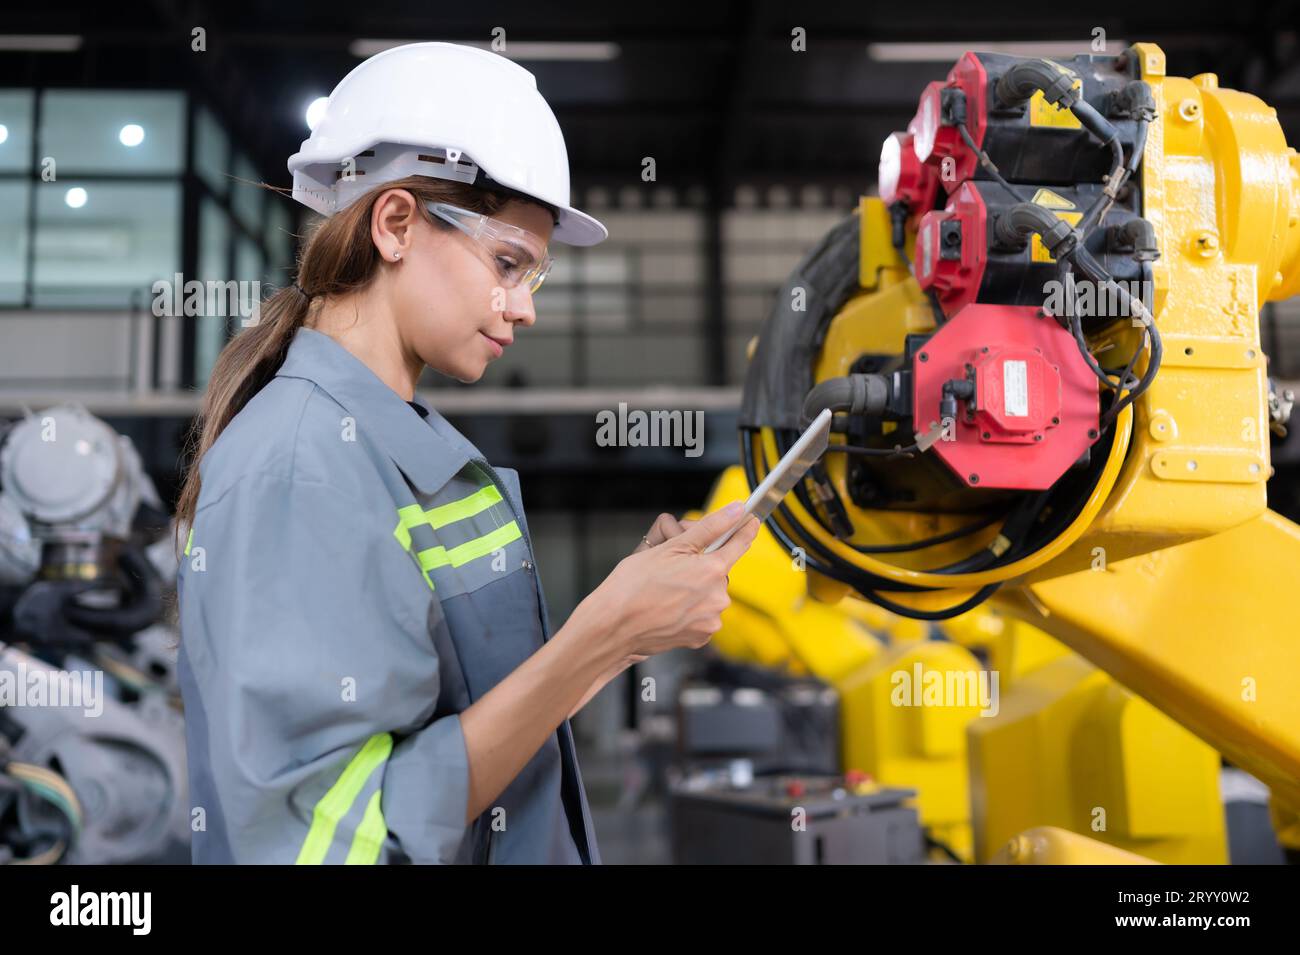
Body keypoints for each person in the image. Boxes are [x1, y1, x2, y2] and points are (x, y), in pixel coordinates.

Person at [173, 41, 759, 864]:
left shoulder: (415, 446)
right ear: (397, 223)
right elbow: (325, 837)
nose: (523, 310)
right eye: (508, 263)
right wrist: (597, 634)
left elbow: (485, 712)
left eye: (535, 277)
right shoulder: (302, 467)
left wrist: (629, 626)